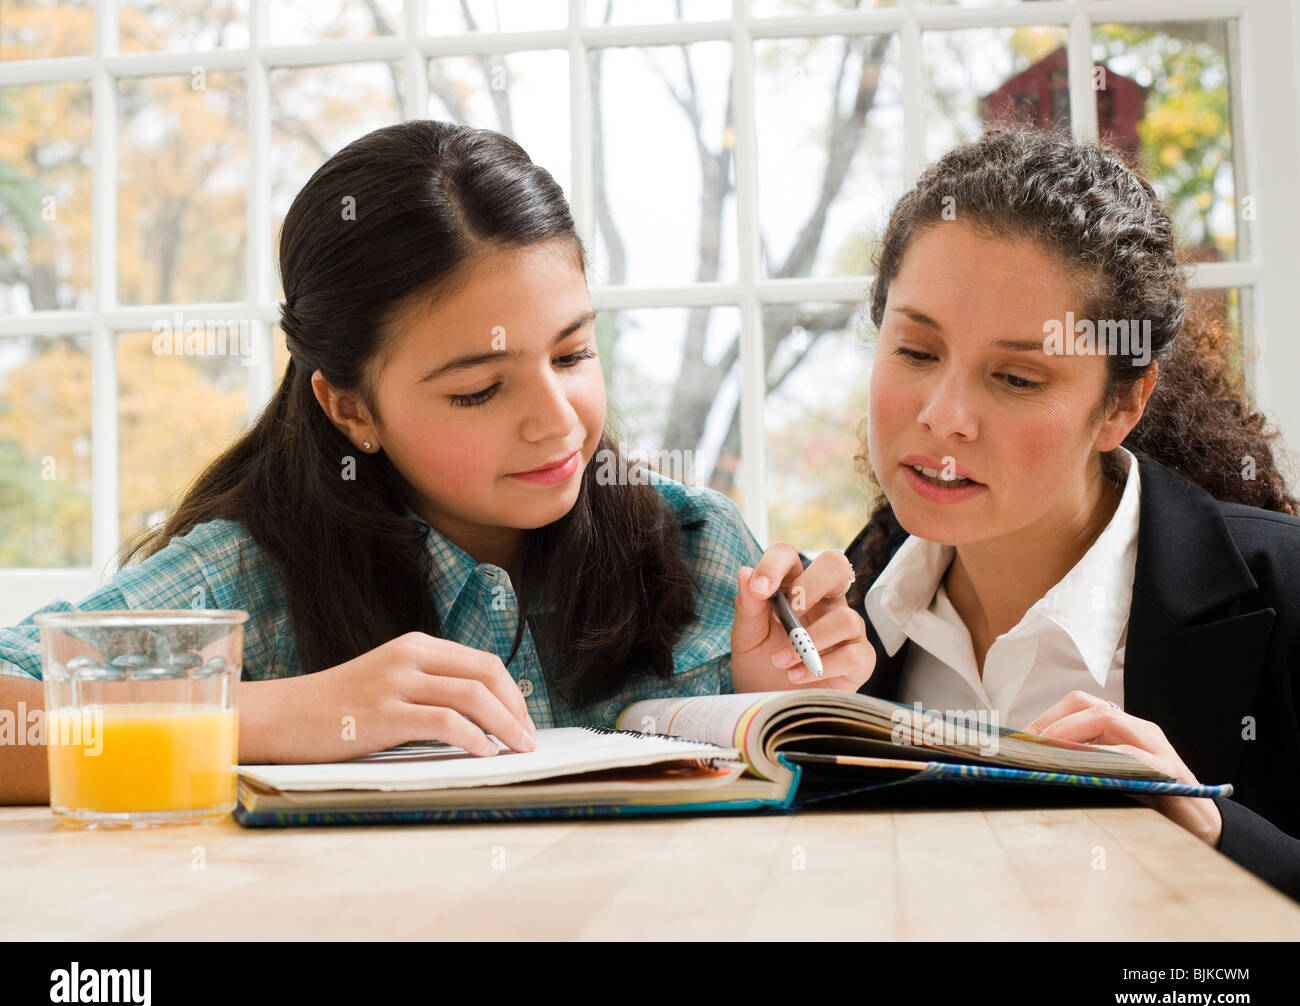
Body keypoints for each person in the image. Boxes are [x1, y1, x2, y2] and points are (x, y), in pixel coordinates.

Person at [0, 120, 871, 803]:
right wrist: (271, 715)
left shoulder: (700, 546)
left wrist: (776, 702)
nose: (555, 422)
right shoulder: (253, 575)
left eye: (571, 356)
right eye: (479, 392)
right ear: (350, 407)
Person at [844, 127, 1300, 902]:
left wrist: (1214, 833)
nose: (944, 416)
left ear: (1122, 404)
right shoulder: (847, 622)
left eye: (1017, 378)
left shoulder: (1283, 590)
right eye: (917, 353)